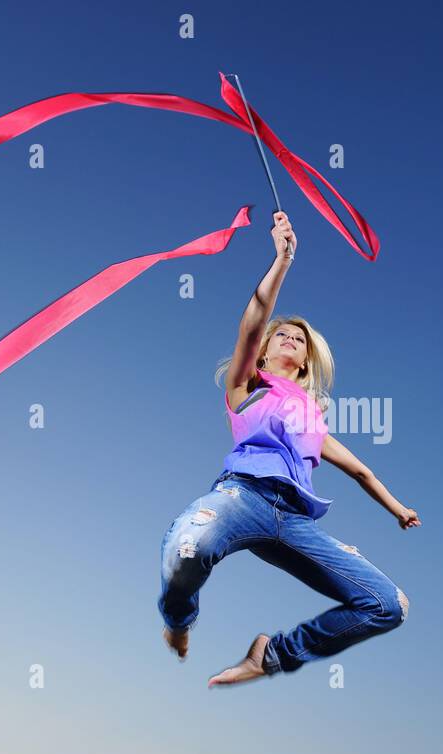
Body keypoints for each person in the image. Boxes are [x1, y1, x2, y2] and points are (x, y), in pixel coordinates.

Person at [157, 211, 421, 687]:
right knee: (186, 549)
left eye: (298, 339)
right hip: (242, 500)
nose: (289, 339)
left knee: (388, 605)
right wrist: (282, 260)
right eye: (281, 334)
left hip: (295, 523)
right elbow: (253, 319)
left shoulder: (312, 420)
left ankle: (273, 656)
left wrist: (398, 509)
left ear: (305, 360)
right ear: (264, 350)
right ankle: (178, 620)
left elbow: (362, 472)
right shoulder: (247, 387)